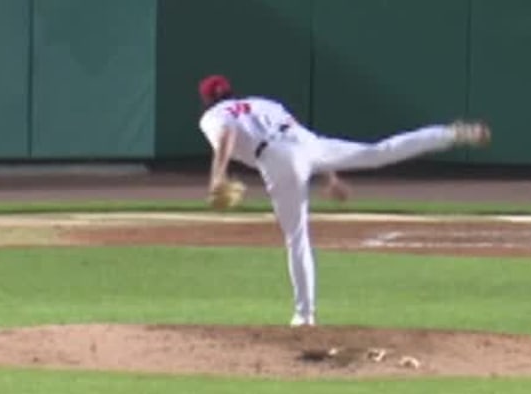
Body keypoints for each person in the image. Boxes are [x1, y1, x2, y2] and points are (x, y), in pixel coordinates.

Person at [197, 74, 491, 327]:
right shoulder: (264, 103)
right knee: (378, 152)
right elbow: (300, 135)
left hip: (276, 158)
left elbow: (227, 135)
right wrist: (330, 176)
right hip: (306, 144)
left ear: (207, 100)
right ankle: (452, 134)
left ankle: (305, 317)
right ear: (232, 91)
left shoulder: (212, 116)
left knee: (297, 238)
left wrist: (217, 176)